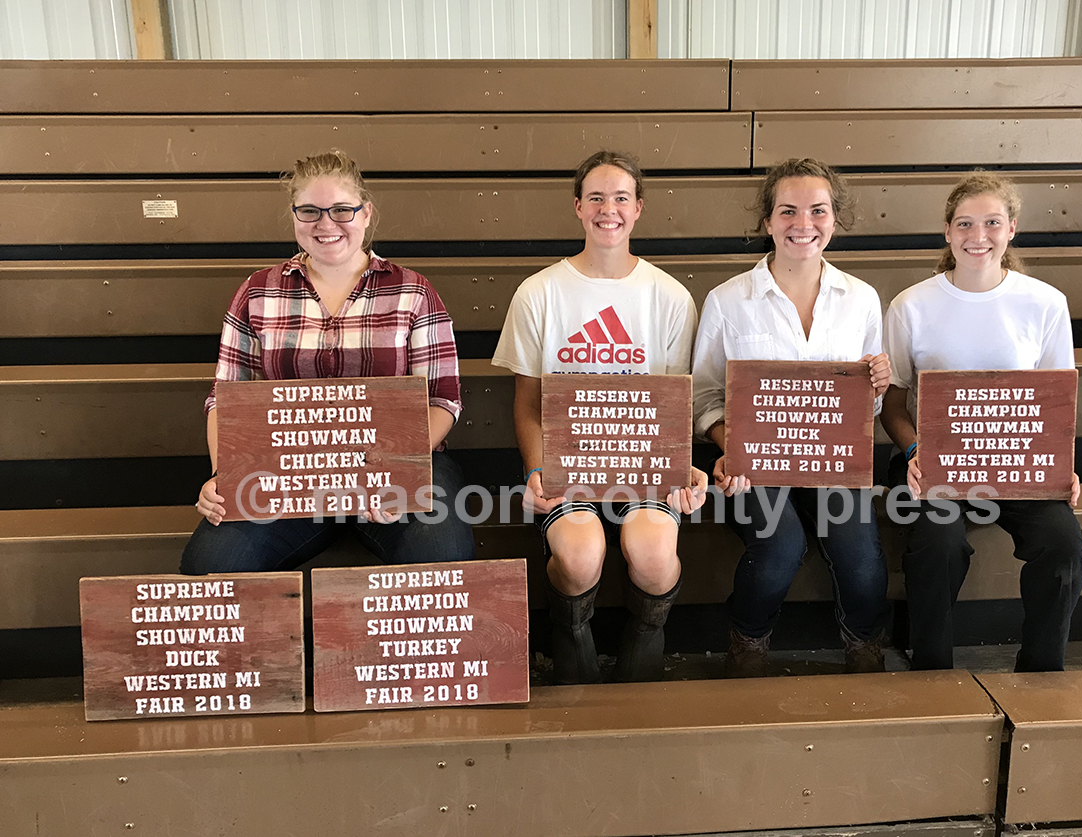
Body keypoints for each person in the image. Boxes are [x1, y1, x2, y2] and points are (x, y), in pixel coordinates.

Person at [182, 150, 475, 574]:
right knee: (211, 564)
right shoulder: (257, 291)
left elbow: (443, 400)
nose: (326, 224)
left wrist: (395, 469)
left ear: (366, 213)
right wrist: (223, 476)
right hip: (286, 472)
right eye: (310, 211)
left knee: (440, 555)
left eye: (342, 209)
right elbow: (225, 400)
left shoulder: (412, 290)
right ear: (293, 214)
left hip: (397, 466)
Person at [492, 150, 707, 684]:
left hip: (643, 466)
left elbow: (673, 405)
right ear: (577, 207)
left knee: (655, 550)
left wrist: (679, 471)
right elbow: (527, 402)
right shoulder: (539, 292)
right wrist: (535, 471)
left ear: (638, 209)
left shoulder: (671, 297)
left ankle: (643, 648)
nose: (607, 209)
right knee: (581, 552)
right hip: (569, 467)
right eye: (595, 198)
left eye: (620, 198)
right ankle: (575, 652)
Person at [880, 171, 1082, 672]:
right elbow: (891, 405)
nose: (979, 236)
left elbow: (1054, 404)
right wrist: (914, 453)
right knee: (938, 542)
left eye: (992, 223)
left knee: (1065, 549)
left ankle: (1041, 669)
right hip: (934, 464)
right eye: (965, 224)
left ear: (1012, 228)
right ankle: (931, 665)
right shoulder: (912, 305)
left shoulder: (1044, 303)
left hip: (1017, 465)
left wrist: (1062, 468)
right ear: (948, 232)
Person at [692, 158, 892, 677]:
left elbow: (863, 408)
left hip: (834, 461)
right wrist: (728, 441)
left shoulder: (862, 299)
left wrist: (876, 386)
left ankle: (863, 640)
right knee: (780, 546)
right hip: (753, 465)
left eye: (818, 210)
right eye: (788, 211)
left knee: (861, 552)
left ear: (835, 219)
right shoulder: (728, 300)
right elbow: (705, 394)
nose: (803, 223)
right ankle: (748, 637)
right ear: (768, 221)